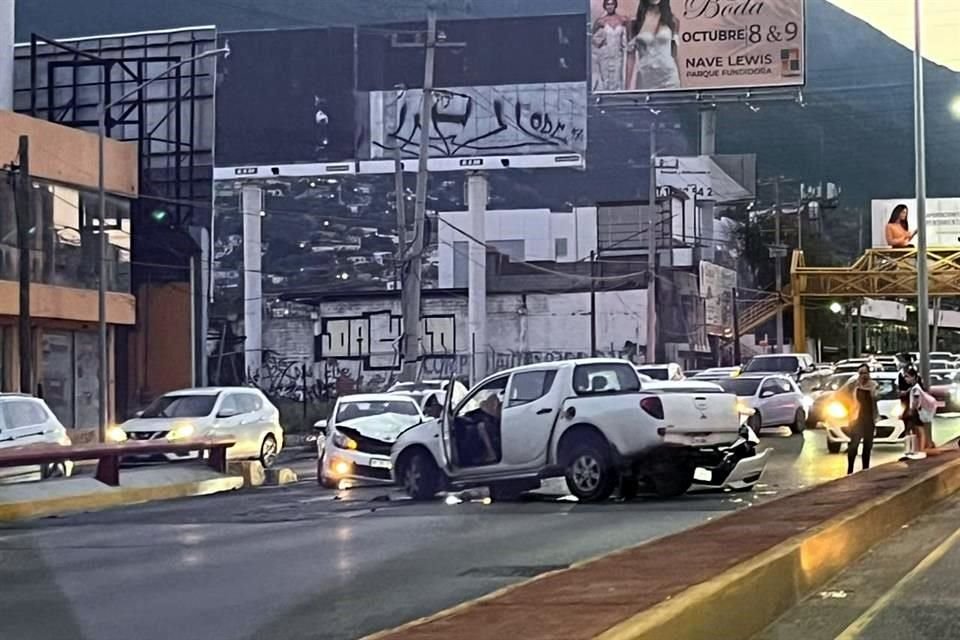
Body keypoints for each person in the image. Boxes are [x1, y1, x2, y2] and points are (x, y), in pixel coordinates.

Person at [626, 0, 680, 91]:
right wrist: (627, 88)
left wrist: (680, 83)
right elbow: (630, 57)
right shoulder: (634, 22)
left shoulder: (672, 20)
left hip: (669, 76)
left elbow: (674, 54)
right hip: (645, 76)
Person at [842, 364, 879, 474]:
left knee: (867, 446)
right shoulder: (854, 385)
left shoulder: (873, 385)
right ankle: (850, 470)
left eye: (865, 373)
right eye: (861, 373)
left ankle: (865, 470)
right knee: (854, 445)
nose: (863, 376)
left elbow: (877, 396)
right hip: (856, 419)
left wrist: (873, 392)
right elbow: (843, 394)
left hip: (869, 419)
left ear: (869, 374)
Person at [592, 0, 630, 92]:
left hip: (618, 54)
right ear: (605, 6)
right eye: (607, 4)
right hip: (605, 54)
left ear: (615, 5)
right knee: (606, 80)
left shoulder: (622, 19)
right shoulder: (600, 21)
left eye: (612, 4)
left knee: (618, 78)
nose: (610, 6)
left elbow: (628, 37)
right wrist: (600, 41)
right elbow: (591, 37)